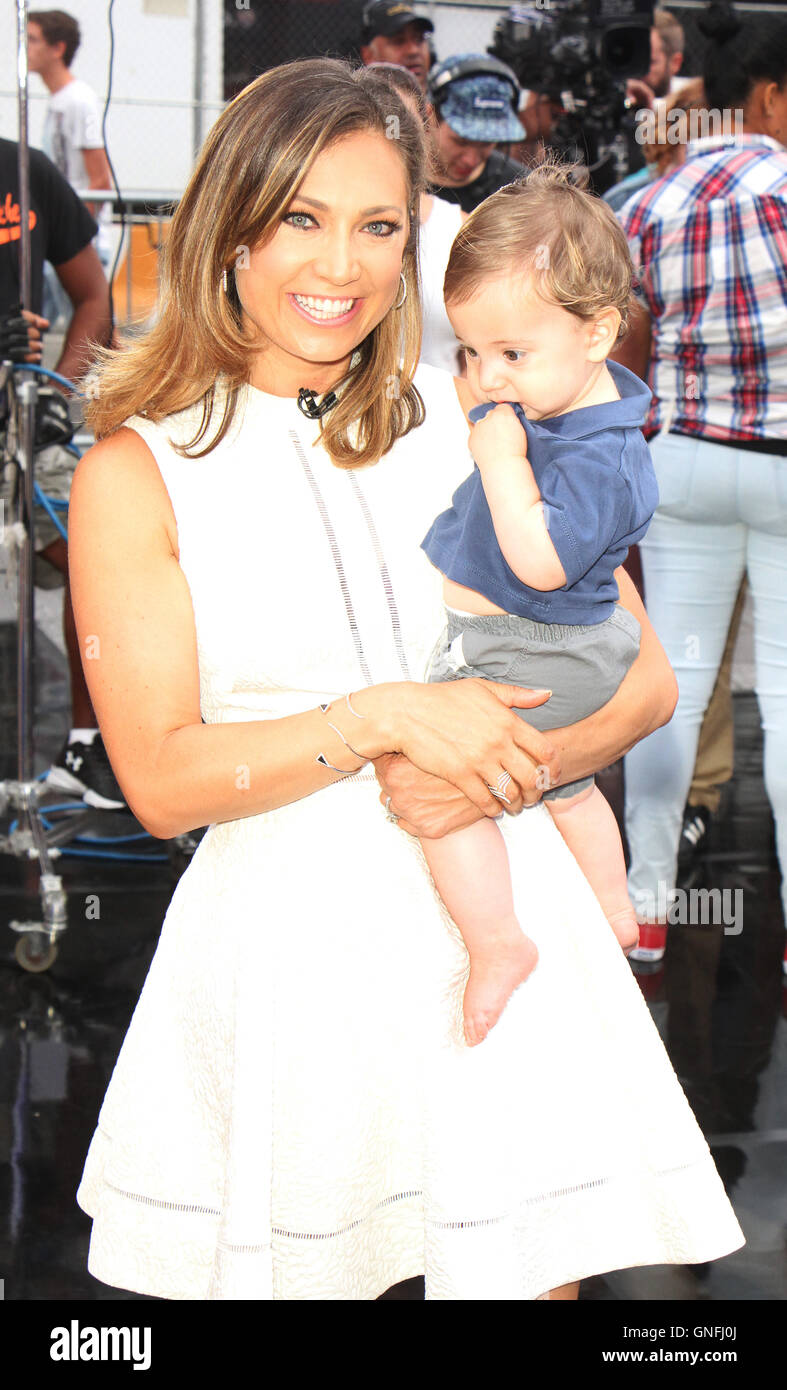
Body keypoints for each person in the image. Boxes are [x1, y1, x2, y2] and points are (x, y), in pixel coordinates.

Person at [69, 57, 743, 1301]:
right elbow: (162, 783)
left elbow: (646, 684)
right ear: (229, 230)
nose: (340, 268)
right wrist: (387, 720)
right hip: (292, 974)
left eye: (378, 226)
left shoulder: (475, 414)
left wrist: (494, 769)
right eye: (300, 221)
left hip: (506, 944)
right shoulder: (137, 472)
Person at [420, 167, 657, 1045]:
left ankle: (496, 943)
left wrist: (498, 457)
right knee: (572, 792)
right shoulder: (569, 406)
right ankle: (610, 907)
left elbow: (544, 560)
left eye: (510, 355)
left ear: (598, 332)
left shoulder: (597, 455)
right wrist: (499, 399)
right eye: (471, 353)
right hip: (559, 645)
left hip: (527, 646)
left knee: (440, 793)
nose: (487, 378)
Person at [613, 1, 787, 963]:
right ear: (766, 94)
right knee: (786, 703)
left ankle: (644, 914)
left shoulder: (647, 201)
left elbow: (625, 345)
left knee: (670, 692)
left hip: (679, 459)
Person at [0, 134, 119, 807]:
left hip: (23, 409)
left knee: (91, 557)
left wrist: (55, 392)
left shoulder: (25, 170)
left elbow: (93, 298)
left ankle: (88, 746)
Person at [364, 61, 465, 373]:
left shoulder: (462, 231)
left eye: (401, 124)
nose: (390, 137)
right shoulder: (327, 237)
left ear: (426, 125)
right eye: (375, 122)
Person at [27, 10, 114, 327]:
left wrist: (74, 239)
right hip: (56, 243)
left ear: (57, 48)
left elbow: (100, 179)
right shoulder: (59, 100)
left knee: (93, 335)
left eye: (33, 39)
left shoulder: (79, 100)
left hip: (77, 246)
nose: (26, 46)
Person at [426, 54, 525, 213]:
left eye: (486, 143)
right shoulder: (397, 178)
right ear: (430, 116)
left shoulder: (519, 190)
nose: (470, 160)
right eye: (461, 141)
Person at [359, 0, 434, 94]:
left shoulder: (448, 99)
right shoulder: (358, 106)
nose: (413, 50)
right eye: (399, 41)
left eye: (419, 39)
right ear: (368, 55)